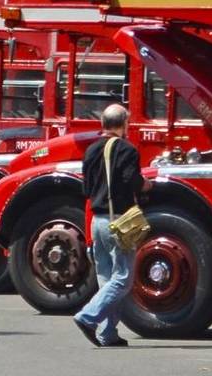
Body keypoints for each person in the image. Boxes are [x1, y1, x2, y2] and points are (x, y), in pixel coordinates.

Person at [73, 103, 150, 347]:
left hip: (96, 221)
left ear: (103, 124)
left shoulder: (90, 150)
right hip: (119, 221)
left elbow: (86, 189)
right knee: (123, 278)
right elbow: (130, 180)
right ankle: (87, 317)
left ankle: (108, 334)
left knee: (107, 278)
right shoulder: (127, 149)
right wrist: (146, 185)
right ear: (124, 123)